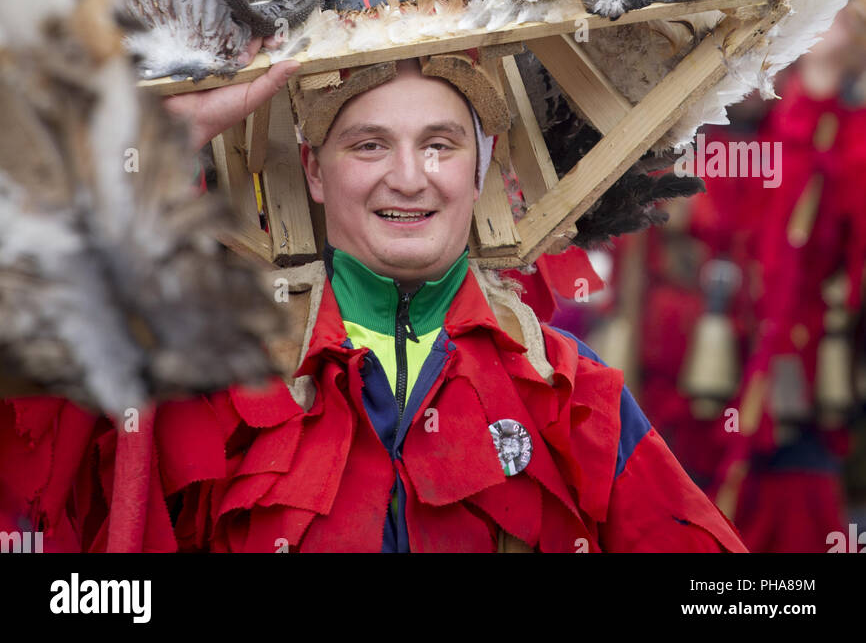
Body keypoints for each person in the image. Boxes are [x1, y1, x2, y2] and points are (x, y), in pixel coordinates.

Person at [0, 50, 748, 553]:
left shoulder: (570, 393)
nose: (409, 177)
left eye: (440, 144)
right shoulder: (210, 385)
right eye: (367, 145)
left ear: (479, 169)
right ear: (313, 172)